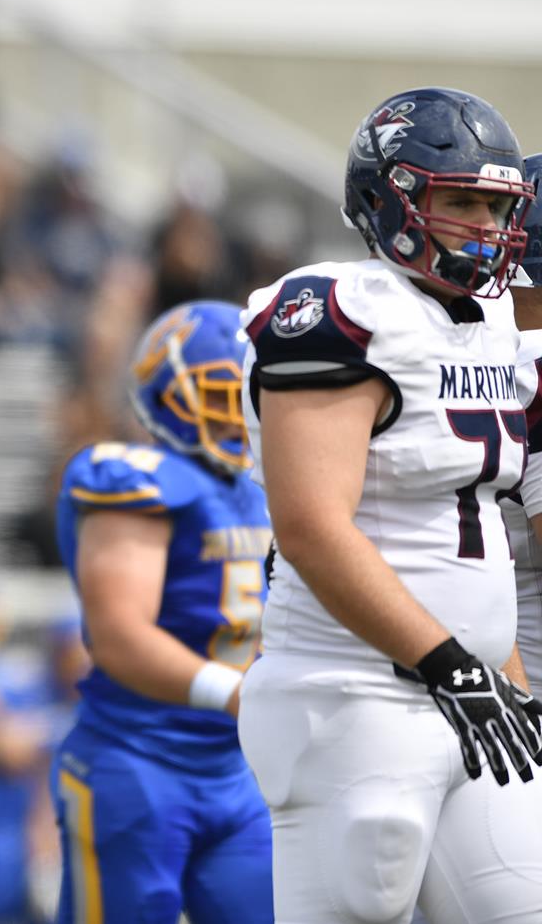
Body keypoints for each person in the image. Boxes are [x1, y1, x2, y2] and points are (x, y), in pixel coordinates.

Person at [238, 87, 542, 924]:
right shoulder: (337, 311)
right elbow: (309, 525)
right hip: (355, 690)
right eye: (462, 201)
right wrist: (446, 660)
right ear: (392, 196)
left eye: (495, 204)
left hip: (476, 692)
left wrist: (503, 676)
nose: (484, 224)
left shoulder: (487, 319)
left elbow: (472, 535)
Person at [49, 299, 273, 924]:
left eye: (245, 396)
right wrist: (235, 692)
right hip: (137, 761)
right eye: (217, 394)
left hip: (238, 769)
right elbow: (118, 636)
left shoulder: (263, 490)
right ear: (166, 388)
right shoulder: (133, 476)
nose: (236, 414)